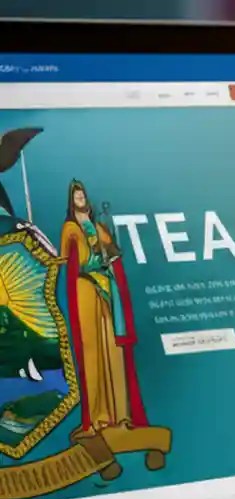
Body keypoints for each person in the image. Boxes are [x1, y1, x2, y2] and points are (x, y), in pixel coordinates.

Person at [59, 179, 149, 436]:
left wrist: (109, 255)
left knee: (114, 349)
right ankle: (98, 417)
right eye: (75, 195)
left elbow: (113, 254)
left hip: (106, 290)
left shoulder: (100, 227)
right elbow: (67, 260)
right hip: (84, 289)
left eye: (82, 194)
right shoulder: (70, 229)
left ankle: (122, 415)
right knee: (91, 349)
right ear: (71, 200)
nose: (80, 197)